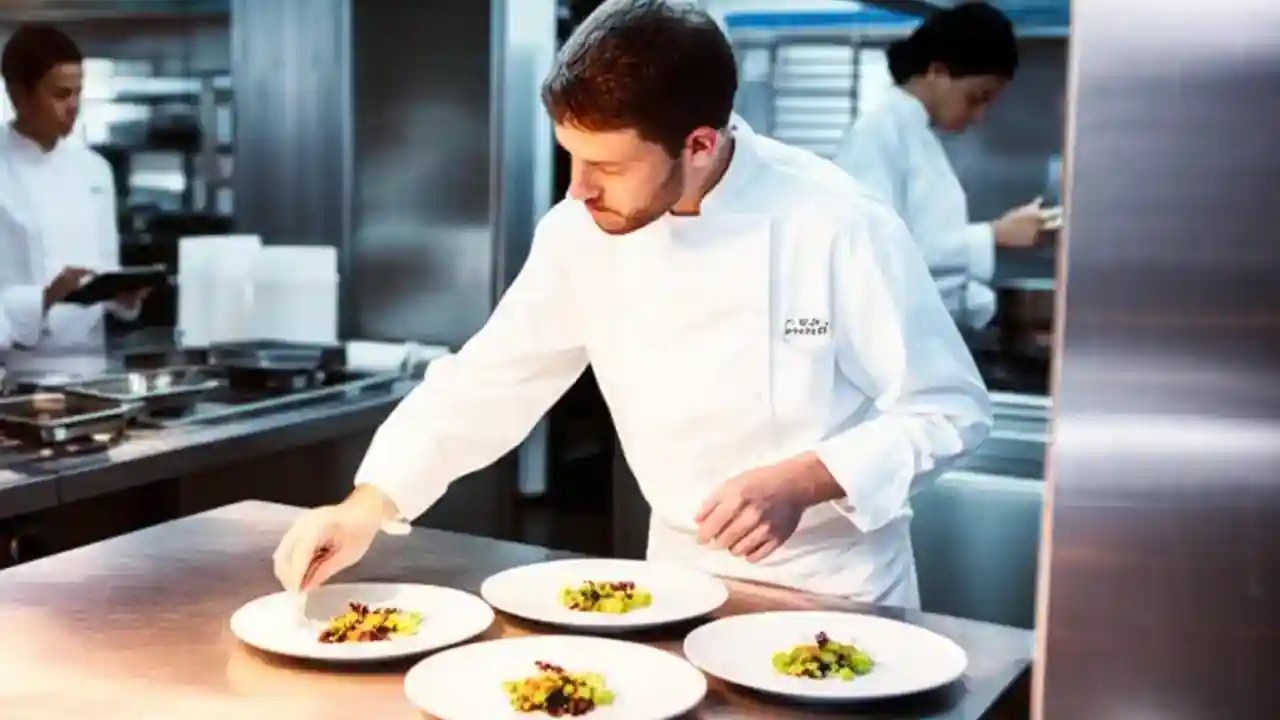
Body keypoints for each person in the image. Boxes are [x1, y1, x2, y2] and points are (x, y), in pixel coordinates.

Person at [273, 0, 992, 608]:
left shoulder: (839, 222)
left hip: (836, 588)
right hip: (675, 582)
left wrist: (805, 479)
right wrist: (366, 504)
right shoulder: (579, 230)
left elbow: (950, 409)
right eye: (570, 157)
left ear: (701, 145)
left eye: (607, 167)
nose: (577, 190)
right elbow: (491, 379)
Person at [832, 2, 1048, 330]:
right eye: (976, 98)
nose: (978, 116)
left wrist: (989, 308)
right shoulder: (879, 132)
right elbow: (878, 252)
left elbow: (932, 271)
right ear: (938, 73)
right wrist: (994, 236)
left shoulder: (916, 132)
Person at [0, 24, 146, 370]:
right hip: (17, 373)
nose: (73, 107)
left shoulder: (95, 170)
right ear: (18, 94)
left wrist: (122, 295)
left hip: (92, 370)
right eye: (60, 94)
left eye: (78, 93)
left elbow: (106, 269)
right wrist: (44, 298)